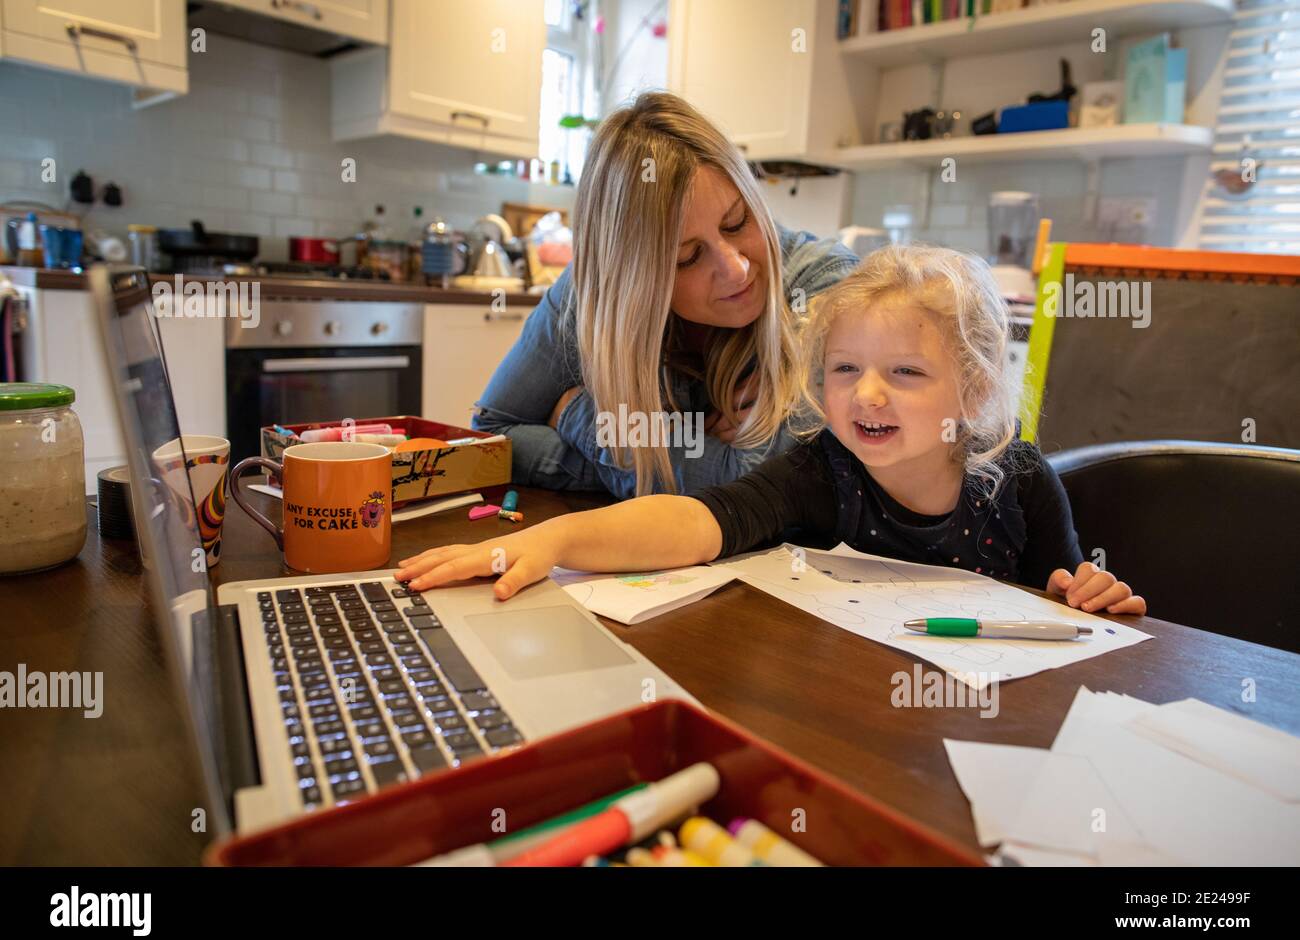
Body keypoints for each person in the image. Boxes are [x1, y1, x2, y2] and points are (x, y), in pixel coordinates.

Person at [398, 244, 1147, 617]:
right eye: (845, 369)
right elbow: (698, 520)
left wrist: (1090, 595)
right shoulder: (823, 470)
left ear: (976, 387)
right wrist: (552, 542)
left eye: (907, 374)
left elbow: (1066, 593)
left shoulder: (1019, 480)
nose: (868, 394)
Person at [472, 90, 857, 497]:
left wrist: (579, 415)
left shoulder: (824, 287)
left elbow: (756, 487)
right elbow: (493, 439)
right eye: (688, 257)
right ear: (629, 282)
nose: (736, 268)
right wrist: (651, 455)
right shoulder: (591, 294)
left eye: (737, 222)